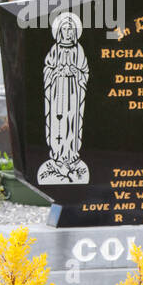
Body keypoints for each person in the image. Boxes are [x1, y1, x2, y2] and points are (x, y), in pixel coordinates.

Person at [37, 12, 89, 185]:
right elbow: (47, 70)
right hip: (57, 93)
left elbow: (85, 72)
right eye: (64, 29)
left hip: (73, 94)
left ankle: (71, 154)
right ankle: (57, 155)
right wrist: (56, 72)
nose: (67, 33)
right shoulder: (55, 49)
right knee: (57, 123)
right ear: (59, 31)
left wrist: (75, 72)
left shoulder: (78, 49)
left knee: (71, 123)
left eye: (70, 30)